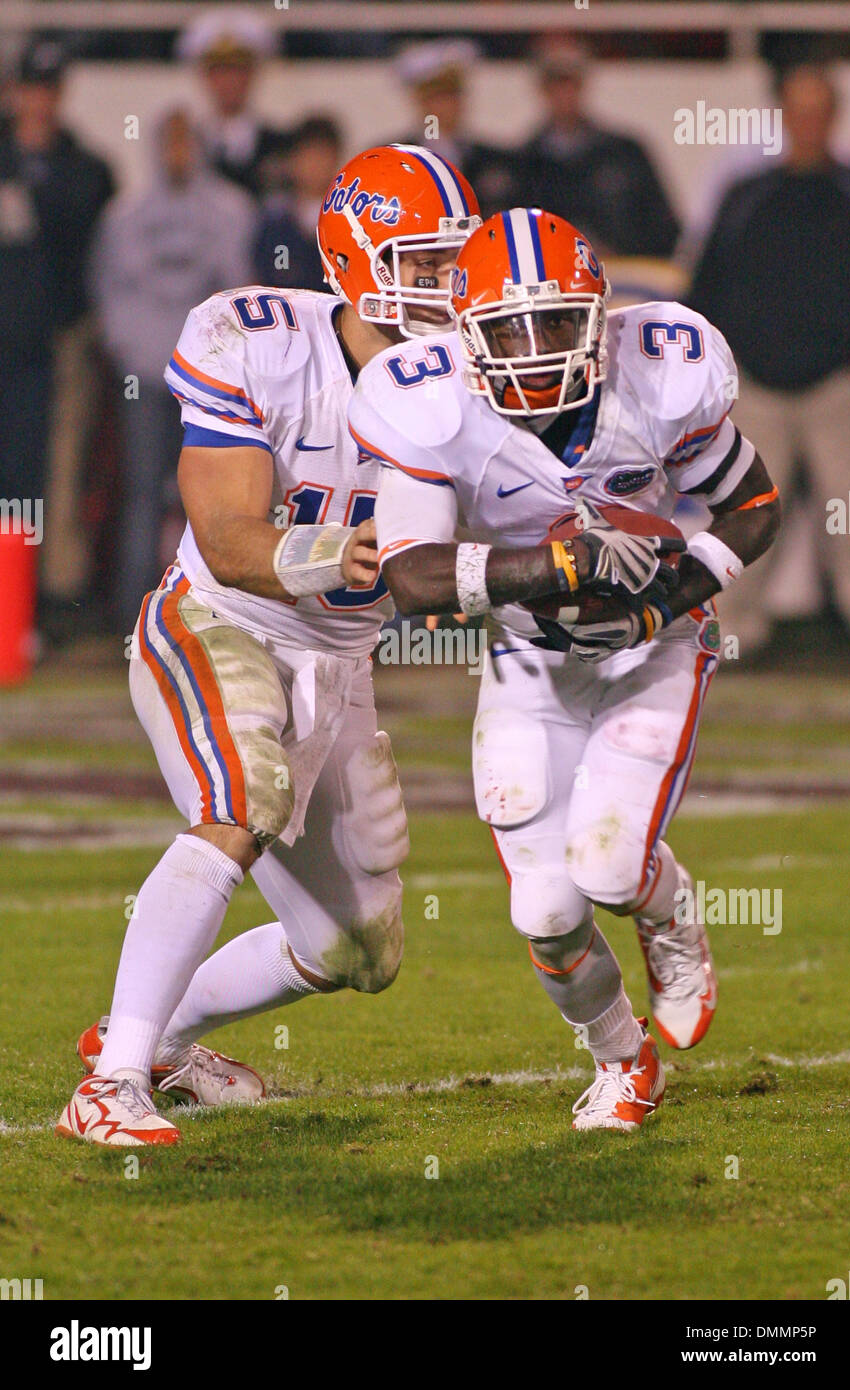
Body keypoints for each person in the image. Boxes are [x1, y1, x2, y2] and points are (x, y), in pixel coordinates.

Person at [57, 146, 481, 1146]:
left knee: (354, 948)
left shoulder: (472, 380)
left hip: (339, 664)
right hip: (220, 623)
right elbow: (227, 543)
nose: (441, 287)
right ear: (351, 258)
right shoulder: (260, 341)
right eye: (418, 264)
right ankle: (110, 1088)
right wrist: (350, 549)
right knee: (241, 801)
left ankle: (156, 1039)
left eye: (448, 264)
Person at [347, 208, 779, 1133]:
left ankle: (666, 914)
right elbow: (412, 577)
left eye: (556, 322)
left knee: (610, 868)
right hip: (527, 661)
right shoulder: (428, 400)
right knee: (544, 910)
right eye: (509, 328)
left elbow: (754, 507)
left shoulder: (662, 371)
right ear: (465, 334)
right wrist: (557, 570)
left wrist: (660, 601)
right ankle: (623, 1063)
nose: (536, 349)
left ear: (600, 313)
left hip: (650, 652)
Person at [689, 64, 850, 658]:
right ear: (782, 115)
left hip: (839, 389)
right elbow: (705, 287)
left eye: (819, 109)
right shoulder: (747, 195)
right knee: (747, 521)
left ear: (834, 116)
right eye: (798, 108)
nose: (809, 122)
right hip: (759, 389)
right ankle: (731, 642)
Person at [91, 107, 256, 634]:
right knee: (142, 493)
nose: (179, 154)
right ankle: (132, 615)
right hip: (145, 374)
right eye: (171, 142)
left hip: (210, 383)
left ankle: (211, 610)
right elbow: (110, 297)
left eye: (188, 142)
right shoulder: (125, 215)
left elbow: (239, 296)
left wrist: (220, 367)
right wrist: (138, 357)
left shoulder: (233, 210)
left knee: (211, 497)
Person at [0, 37, 114, 632]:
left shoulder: (84, 167)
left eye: (49, 88)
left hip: (57, 343)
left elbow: (86, 251)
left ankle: (49, 604)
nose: (40, 100)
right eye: (32, 87)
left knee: (54, 476)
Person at [515, 38, 679, 258]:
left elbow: (665, 228)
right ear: (542, 89)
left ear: (583, 84)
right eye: (556, 83)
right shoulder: (523, 163)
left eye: (570, 82)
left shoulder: (626, 153)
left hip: (624, 280)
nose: (564, 92)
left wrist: (619, 254)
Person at [392, 39, 519, 218]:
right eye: (438, 97)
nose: (448, 105)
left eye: (453, 95)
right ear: (421, 102)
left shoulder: (495, 159)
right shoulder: (397, 159)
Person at [177, 8, 290, 197]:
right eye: (218, 71)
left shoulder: (280, 144)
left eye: (238, 70)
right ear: (204, 77)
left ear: (253, 74)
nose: (228, 81)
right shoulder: (188, 143)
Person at [253, 116, 343, 292]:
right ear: (292, 162)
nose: (315, 165)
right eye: (308, 156)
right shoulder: (276, 225)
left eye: (323, 156)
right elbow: (272, 276)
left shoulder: (348, 225)